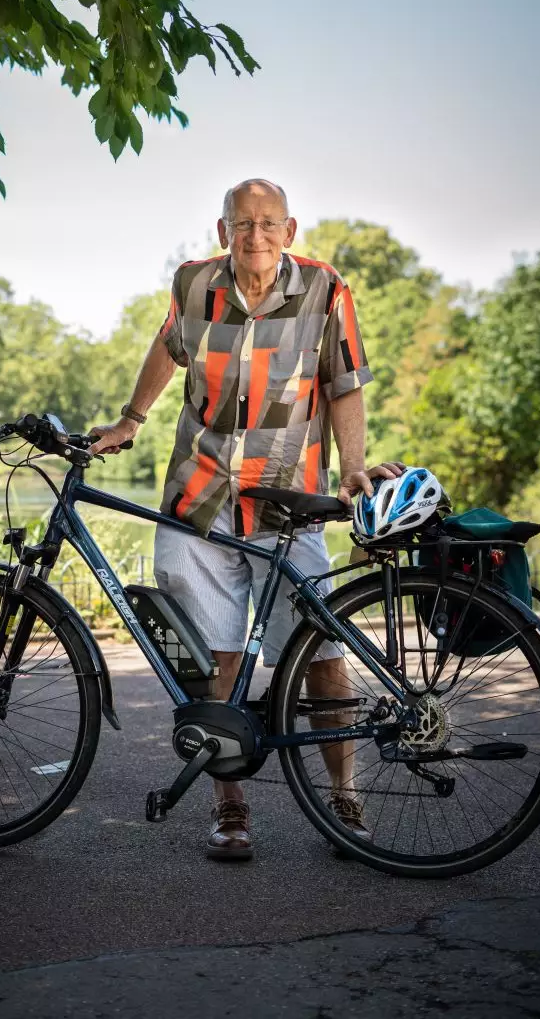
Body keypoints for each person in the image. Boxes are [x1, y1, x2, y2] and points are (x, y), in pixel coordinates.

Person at [91, 179, 404, 859]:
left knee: (320, 656)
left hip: (287, 497)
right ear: (222, 229)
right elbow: (168, 348)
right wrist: (131, 418)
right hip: (199, 498)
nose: (254, 237)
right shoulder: (193, 285)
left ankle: (344, 798)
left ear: (289, 231)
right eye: (241, 224)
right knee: (216, 662)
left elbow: (344, 384)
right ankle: (231, 810)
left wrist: (355, 465)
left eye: (267, 224)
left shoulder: (325, 290)